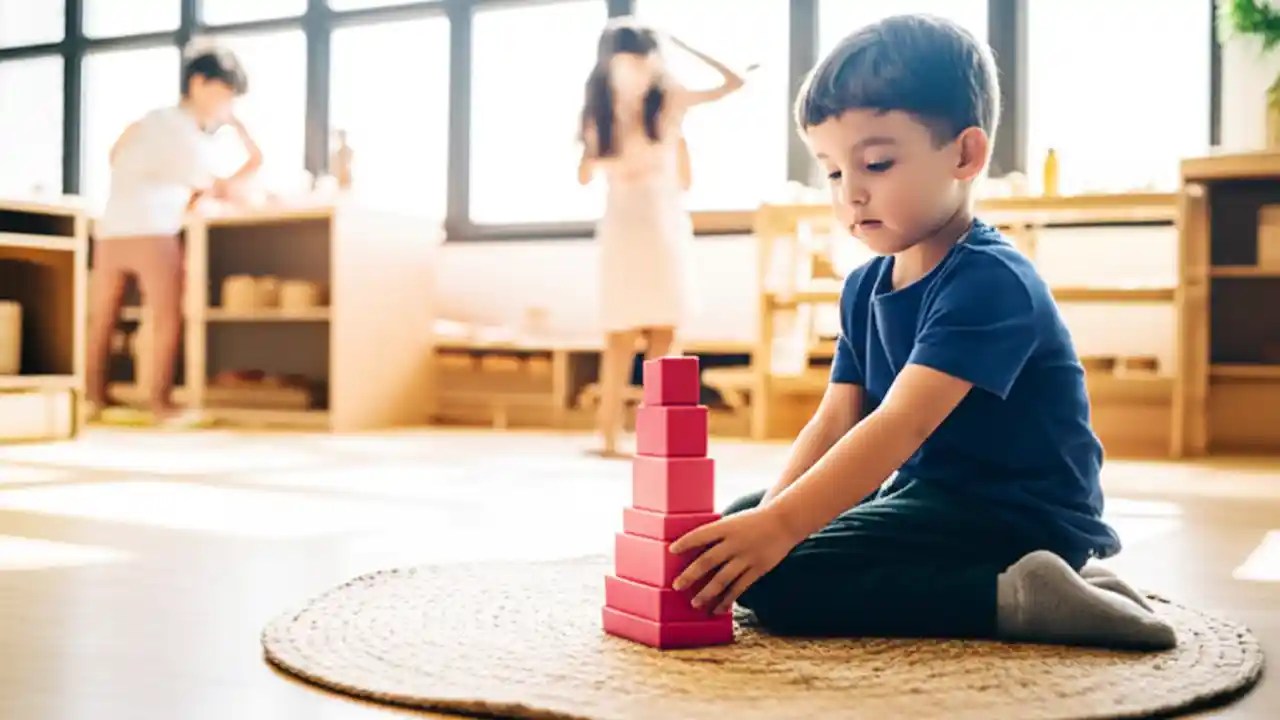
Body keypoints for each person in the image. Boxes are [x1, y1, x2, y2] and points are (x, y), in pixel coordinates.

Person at [667, 15, 1176, 650]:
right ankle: (1040, 580)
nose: (850, 193)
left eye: (876, 163)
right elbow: (834, 424)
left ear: (965, 155)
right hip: (929, 498)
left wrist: (782, 536)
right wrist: (770, 518)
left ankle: (1018, 592)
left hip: (1012, 513)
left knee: (782, 579)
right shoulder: (863, 287)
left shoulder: (990, 280)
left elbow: (901, 423)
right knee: (736, 527)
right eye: (831, 170)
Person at [577, 18, 748, 458]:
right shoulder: (619, 106)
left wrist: (683, 43)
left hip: (647, 221)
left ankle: (632, 436)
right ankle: (622, 437)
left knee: (647, 333)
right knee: (639, 334)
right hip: (637, 222)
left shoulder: (651, 101)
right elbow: (583, 174)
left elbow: (734, 82)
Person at [85, 44, 262, 426]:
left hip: (112, 228)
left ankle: (91, 399)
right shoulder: (185, 133)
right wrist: (245, 136)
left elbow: (116, 154)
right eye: (226, 94)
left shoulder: (151, 120)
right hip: (153, 231)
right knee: (166, 318)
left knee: (102, 319)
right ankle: (160, 405)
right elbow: (220, 187)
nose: (227, 106)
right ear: (199, 84)